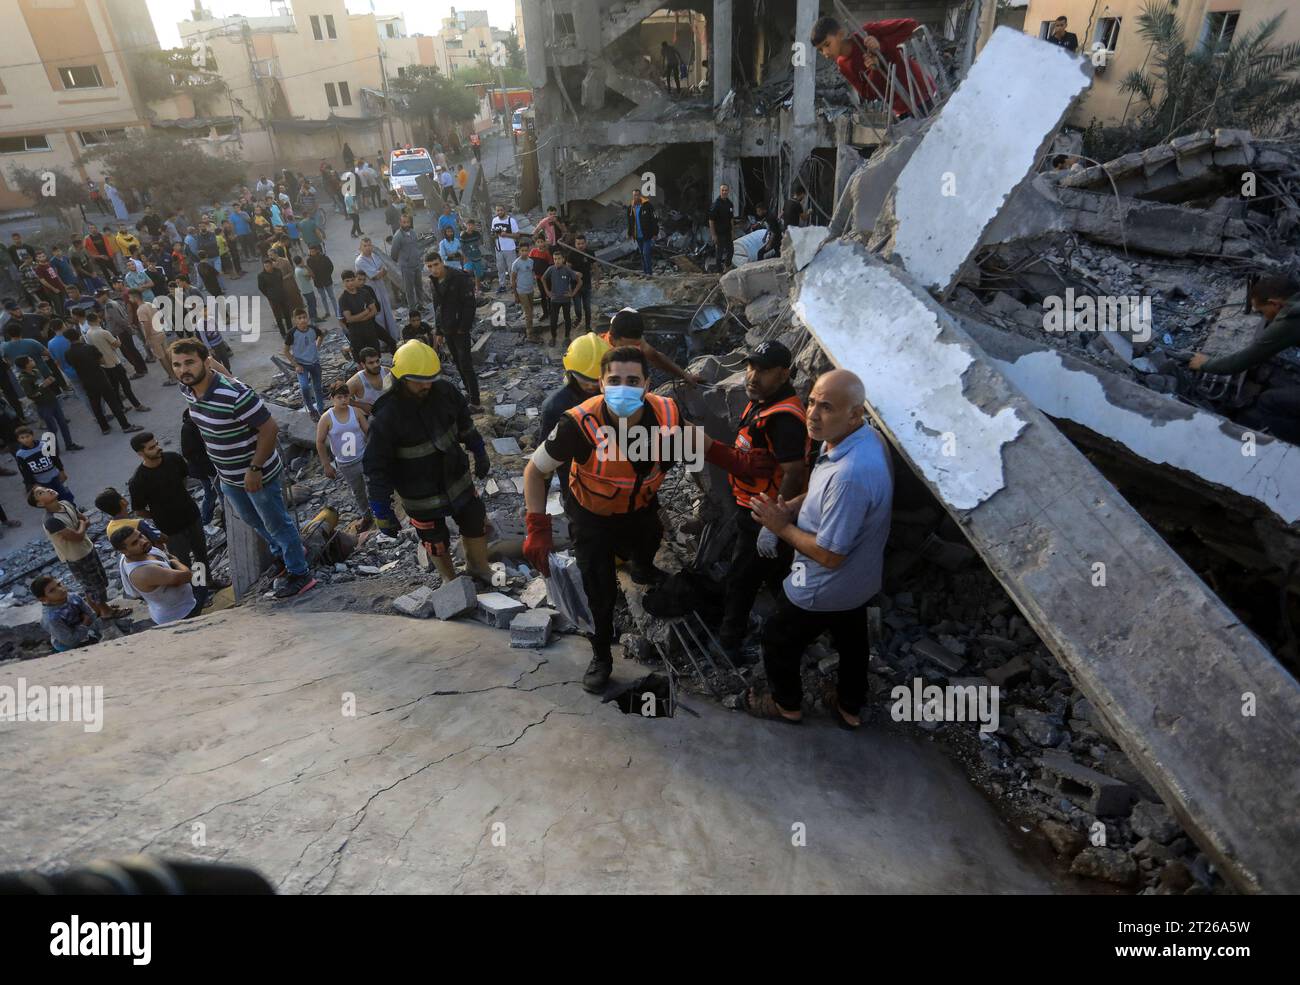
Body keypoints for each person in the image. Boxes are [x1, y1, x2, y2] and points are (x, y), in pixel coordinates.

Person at [522, 345, 776, 692]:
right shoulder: (579, 424)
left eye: (632, 380)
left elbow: (694, 440)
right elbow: (535, 471)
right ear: (600, 383)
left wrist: (738, 462)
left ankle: (640, 566)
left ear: (646, 384)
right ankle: (601, 655)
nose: (623, 388)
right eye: (614, 380)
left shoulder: (665, 415)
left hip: (639, 507)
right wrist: (537, 527)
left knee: (650, 537)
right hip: (592, 516)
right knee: (599, 589)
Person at [744, 369, 893, 728]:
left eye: (826, 407)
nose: (812, 414)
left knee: (778, 638)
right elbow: (823, 494)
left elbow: (830, 554)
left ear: (855, 413)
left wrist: (780, 527)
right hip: (860, 581)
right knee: (852, 642)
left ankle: (787, 705)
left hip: (824, 584)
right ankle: (849, 707)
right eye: (811, 401)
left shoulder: (851, 475)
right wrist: (794, 504)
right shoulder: (862, 438)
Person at [171, 338, 316, 598]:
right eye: (177, 365)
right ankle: (284, 554)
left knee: (277, 523)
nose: (184, 370)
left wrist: (255, 469)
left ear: (205, 362)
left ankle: (299, 572)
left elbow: (269, 429)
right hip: (228, 476)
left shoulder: (236, 394)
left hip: (258, 474)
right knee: (251, 519)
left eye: (190, 362)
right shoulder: (187, 388)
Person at [363, 340, 493, 584]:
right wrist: (381, 510)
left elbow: (465, 424)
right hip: (419, 492)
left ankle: (479, 568)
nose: (426, 385)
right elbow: (375, 468)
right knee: (434, 538)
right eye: (419, 380)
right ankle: (450, 582)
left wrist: (479, 450)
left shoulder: (444, 392)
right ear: (402, 379)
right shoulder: (385, 417)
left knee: (474, 520)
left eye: (430, 379)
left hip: (456, 478)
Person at [716, 342, 810, 659]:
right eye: (751, 367)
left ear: (783, 374)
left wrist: (775, 522)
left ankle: (729, 644)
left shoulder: (784, 419)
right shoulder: (762, 403)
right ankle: (794, 631)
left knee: (741, 580)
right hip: (754, 509)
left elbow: (795, 472)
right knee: (774, 575)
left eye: (764, 370)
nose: (753, 376)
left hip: (765, 516)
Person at [1190, 274, 1300, 443]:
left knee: (1269, 403)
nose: (1264, 317)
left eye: (1262, 312)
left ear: (1275, 303)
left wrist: (1205, 364)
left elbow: (1242, 361)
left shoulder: (1290, 319)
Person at [29, 484, 130, 620]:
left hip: (87, 548)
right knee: (95, 585)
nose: (47, 490)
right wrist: (81, 526)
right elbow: (77, 536)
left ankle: (96, 609)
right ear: (40, 503)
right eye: (41, 493)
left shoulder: (65, 504)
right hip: (77, 557)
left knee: (95, 582)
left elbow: (84, 520)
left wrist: (80, 527)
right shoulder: (51, 521)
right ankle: (106, 612)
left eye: (45, 489)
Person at [811, 15, 934, 120]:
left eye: (827, 45)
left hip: (921, 92)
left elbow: (910, 25)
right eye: (820, 50)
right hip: (900, 108)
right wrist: (874, 71)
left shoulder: (865, 33)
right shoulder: (843, 66)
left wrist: (881, 45)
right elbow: (868, 94)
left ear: (841, 34)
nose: (825, 53)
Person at [128, 430, 210, 575]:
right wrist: (160, 515)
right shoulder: (138, 481)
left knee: (201, 554)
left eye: (156, 444)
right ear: (141, 453)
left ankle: (203, 583)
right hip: (171, 529)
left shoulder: (173, 459)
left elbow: (184, 479)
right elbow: (139, 510)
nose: (158, 448)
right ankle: (191, 593)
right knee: (182, 560)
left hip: (191, 516)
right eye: (151, 448)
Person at [538, 332, 609, 499]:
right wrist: (537, 509)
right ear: (571, 373)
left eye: (597, 381)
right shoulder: (556, 406)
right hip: (575, 484)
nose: (593, 386)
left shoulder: (615, 397)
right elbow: (544, 464)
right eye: (586, 381)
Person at [425, 252, 483, 412]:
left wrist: (463, 328)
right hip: (446, 327)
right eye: (430, 266)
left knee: (466, 364)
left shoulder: (459, 278)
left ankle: (476, 401)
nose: (434, 269)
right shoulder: (433, 281)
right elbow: (437, 307)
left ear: (442, 262)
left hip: (460, 329)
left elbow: (470, 305)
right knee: (457, 362)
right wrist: (438, 331)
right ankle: (469, 394)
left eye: (436, 264)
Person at [110, 526, 201, 625]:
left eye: (140, 536)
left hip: (182, 604)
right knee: (201, 572)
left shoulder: (141, 551)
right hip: (180, 614)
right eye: (135, 543)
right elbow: (187, 576)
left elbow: (165, 556)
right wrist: (176, 562)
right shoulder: (144, 572)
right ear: (124, 551)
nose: (143, 541)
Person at [63, 325, 142, 435]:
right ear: (79, 336)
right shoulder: (89, 348)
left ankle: (104, 428)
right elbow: (102, 361)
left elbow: (72, 365)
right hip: (100, 378)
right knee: (113, 402)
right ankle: (125, 425)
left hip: (86, 381)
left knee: (95, 405)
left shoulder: (68, 353)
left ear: (67, 339)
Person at [317, 382, 374, 529]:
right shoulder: (326, 418)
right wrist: (326, 464)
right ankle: (366, 516)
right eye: (339, 397)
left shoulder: (356, 412)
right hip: (345, 463)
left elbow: (368, 431)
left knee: (373, 484)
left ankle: (382, 511)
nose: (343, 400)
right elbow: (320, 442)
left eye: (346, 396)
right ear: (332, 398)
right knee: (358, 491)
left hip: (364, 457)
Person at [601, 307, 704, 384]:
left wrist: (685, 375)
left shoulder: (635, 341)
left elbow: (656, 357)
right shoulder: (599, 353)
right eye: (626, 347)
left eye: (636, 345)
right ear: (612, 340)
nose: (632, 350)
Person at [84, 311, 149, 414]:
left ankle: (121, 407)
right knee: (126, 386)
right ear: (97, 319)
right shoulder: (103, 332)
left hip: (104, 365)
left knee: (114, 387)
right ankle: (137, 405)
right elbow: (117, 344)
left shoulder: (88, 334)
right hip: (114, 362)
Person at [15, 356, 80, 453]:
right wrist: (43, 386)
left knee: (63, 424)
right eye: (30, 360)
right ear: (26, 364)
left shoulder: (36, 372)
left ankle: (69, 444)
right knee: (52, 428)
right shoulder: (24, 379)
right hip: (43, 405)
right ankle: (53, 450)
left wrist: (49, 382)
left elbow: (42, 384)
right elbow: (30, 394)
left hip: (52, 400)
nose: (33, 361)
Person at [32, 575, 108, 652]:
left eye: (59, 584)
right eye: (52, 591)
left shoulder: (73, 597)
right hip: (67, 645)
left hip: (84, 632)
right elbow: (70, 641)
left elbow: (91, 615)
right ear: (43, 599)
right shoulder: (51, 618)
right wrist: (85, 624)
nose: (60, 589)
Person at [339, 270, 397, 356]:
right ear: (343, 282)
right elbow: (348, 319)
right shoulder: (343, 298)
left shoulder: (366, 291)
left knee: (385, 345)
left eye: (352, 280)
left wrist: (360, 318)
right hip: (355, 330)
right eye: (348, 281)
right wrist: (365, 312)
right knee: (360, 357)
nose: (351, 283)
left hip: (370, 326)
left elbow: (375, 310)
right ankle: (347, 349)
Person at [12, 424, 76, 500]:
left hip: (55, 476)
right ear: (18, 440)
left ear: (32, 435)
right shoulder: (20, 454)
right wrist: (33, 484)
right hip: (41, 482)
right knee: (51, 499)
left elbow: (55, 459)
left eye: (27, 436)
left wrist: (61, 471)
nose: (26, 439)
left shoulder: (44, 445)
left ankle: (73, 509)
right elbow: (25, 471)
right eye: (22, 438)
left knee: (66, 495)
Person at [180, 407, 219, 527]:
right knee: (212, 493)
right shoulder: (189, 428)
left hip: (212, 467)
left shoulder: (199, 422)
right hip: (206, 470)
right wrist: (210, 469)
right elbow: (189, 453)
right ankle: (205, 520)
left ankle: (207, 519)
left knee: (213, 493)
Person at [354, 237, 397, 343]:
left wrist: (380, 272)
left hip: (381, 288)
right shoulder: (360, 261)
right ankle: (382, 342)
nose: (368, 248)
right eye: (365, 246)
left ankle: (392, 337)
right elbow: (374, 276)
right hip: (371, 291)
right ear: (360, 247)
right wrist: (380, 272)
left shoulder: (374, 256)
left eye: (369, 245)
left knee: (387, 311)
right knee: (378, 315)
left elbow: (385, 269)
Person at [285, 308, 326, 417]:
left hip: (314, 362)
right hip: (301, 365)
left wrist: (317, 346)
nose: (302, 320)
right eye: (299, 318)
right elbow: (285, 351)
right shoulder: (292, 333)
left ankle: (321, 411)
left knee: (317, 387)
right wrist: (296, 365)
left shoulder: (313, 329)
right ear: (295, 320)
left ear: (307, 318)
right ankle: (311, 408)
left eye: (304, 317)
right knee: (305, 387)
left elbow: (321, 335)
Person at [541, 248, 580, 347]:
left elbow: (580, 281)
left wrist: (572, 293)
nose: (556, 261)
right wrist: (547, 292)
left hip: (566, 299)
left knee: (567, 319)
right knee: (553, 320)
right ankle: (553, 337)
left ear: (563, 259)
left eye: (558, 258)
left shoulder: (567, 269)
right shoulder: (551, 269)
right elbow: (543, 278)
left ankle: (567, 337)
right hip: (554, 300)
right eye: (554, 259)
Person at [390, 214, 425, 310]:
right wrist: (403, 262)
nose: (406, 224)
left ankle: (421, 305)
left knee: (419, 286)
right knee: (409, 290)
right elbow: (394, 253)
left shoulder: (413, 232)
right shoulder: (397, 236)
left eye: (408, 222)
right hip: (406, 267)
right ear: (400, 223)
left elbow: (416, 246)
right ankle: (413, 309)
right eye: (404, 222)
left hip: (416, 264)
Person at [564, 235, 597, 333]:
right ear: (575, 244)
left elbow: (595, 267)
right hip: (575, 285)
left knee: (587, 307)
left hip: (587, 284)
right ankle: (578, 318)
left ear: (586, 243)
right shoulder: (571, 254)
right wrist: (574, 273)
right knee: (578, 307)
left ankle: (587, 326)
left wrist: (597, 281)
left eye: (582, 243)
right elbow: (567, 269)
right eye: (578, 244)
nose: (580, 246)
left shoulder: (590, 253)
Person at [346, 346, 392, 413]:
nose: (376, 365)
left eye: (377, 361)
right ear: (363, 364)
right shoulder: (355, 382)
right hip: (369, 417)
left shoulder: (387, 372)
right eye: (371, 363)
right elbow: (340, 399)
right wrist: (362, 405)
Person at [258, 257, 292, 342]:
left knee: (287, 313)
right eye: (265, 266)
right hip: (273, 298)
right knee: (278, 316)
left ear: (271, 265)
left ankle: (290, 329)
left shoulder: (277, 271)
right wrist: (269, 295)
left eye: (268, 266)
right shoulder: (261, 276)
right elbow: (261, 288)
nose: (267, 268)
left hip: (282, 295)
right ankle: (283, 333)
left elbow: (281, 280)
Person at [509, 245, 538, 341]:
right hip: (521, 291)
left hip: (530, 290)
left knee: (531, 311)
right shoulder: (516, 263)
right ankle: (530, 334)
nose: (524, 252)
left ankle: (531, 330)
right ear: (519, 251)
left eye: (526, 250)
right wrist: (515, 295)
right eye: (522, 250)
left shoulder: (531, 261)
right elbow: (513, 280)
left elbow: (532, 274)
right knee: (528, 313)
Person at [491, 204, 521, 292]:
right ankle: (502, 285)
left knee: (511, 269)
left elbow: (517, 235)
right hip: (499, 248)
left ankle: (514, 285)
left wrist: (506, 234)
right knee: (500, 268)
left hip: (509, 248)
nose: (499, 212)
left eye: (501, 210)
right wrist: (495, 235)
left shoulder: (511, 220)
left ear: (505, 210)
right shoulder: (494, 220)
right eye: (497, 210)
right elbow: (492, 233)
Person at [627, 190, 658, 276]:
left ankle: (649, 273)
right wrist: (630, 234)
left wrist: (655, 233)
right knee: (642, 254)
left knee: (646, 253)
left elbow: (654, 219)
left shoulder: (647, 206)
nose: (636, 197)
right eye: (634, 196)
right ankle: (645, 273)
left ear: (640, 195)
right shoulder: (630, 208)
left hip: (647, 235)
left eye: (637, 195)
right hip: (637, 235)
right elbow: (630, 222)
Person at [708, 183, 736, 272]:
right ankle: (719, 271)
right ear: (720, 191)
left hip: (727, 231)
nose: (724, 192)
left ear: (728, 191)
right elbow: (711, 221)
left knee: (731, 251)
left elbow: (731, 219)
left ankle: (727, 267)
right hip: (719, 232)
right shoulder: (716, 204)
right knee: (719, 253)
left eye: (726, 190)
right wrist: (713, 235)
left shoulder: (729, 204)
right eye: (722, 190)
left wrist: (732, 231)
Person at [307, 245, 337, 320]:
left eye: (313, 251)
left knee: (332, 297)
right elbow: (310, 270)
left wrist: (327, 275)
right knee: (323, 297)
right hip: (318, 282)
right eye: (310, 251)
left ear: (317, 251)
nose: (311, 253)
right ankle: (327, 312)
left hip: (327, 280)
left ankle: (337, 312)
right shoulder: (309, 260)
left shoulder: (325, 258)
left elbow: (331, 267)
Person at [461, 219, 487, 290]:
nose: (470, 227)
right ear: (466, 225)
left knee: (478, 274)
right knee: (467, 272)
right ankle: (465, 288)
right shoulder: (463, 235)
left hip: (477, 256)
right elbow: (462, 248)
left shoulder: (477, 234)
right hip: (468, 257)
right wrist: (465, 257)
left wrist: (482, 253)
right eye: (469, 225)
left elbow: (480, 244)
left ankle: (477, 290)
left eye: (472, 225)